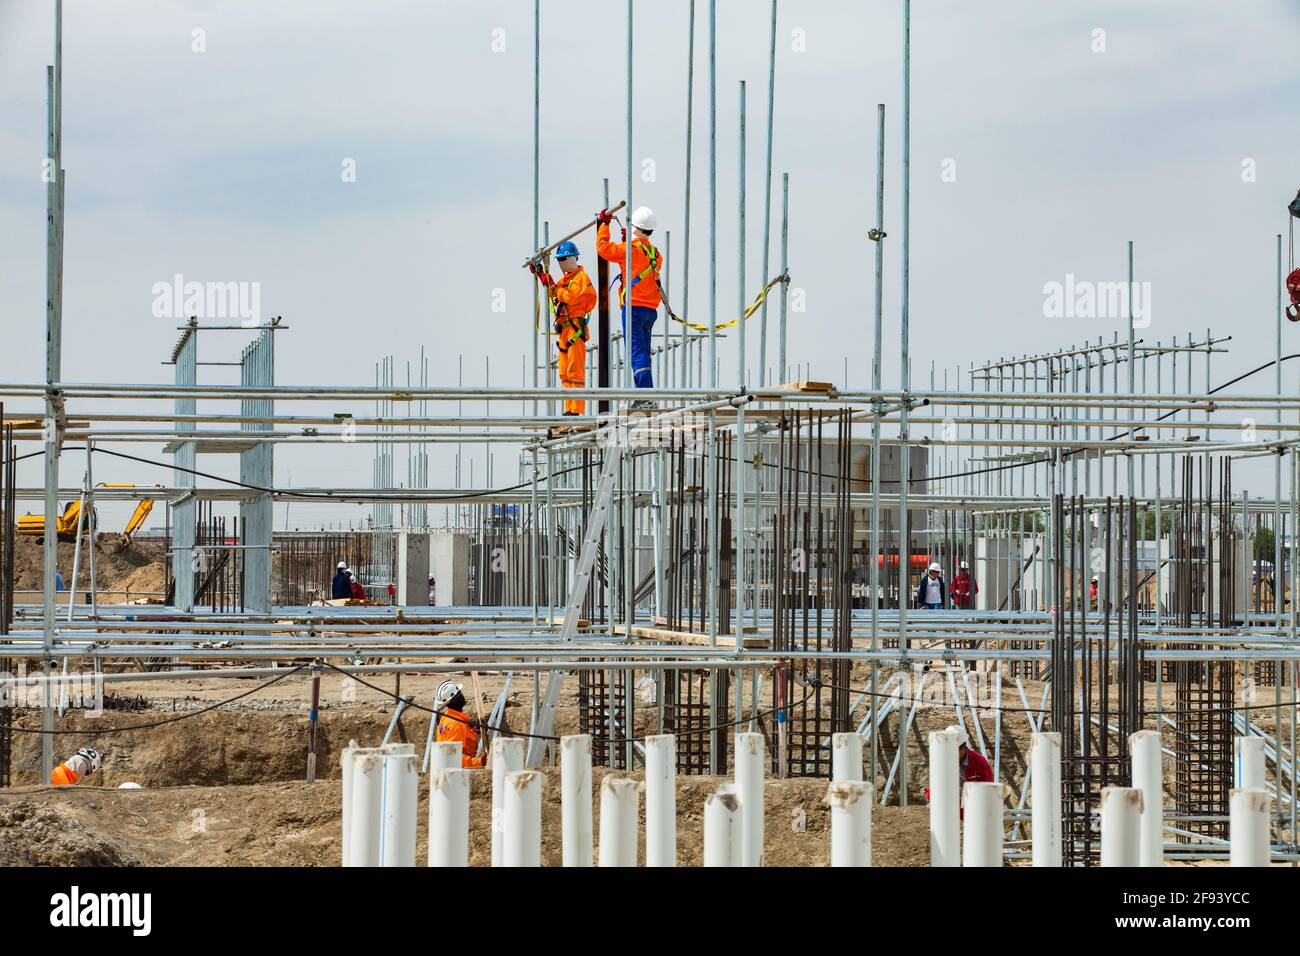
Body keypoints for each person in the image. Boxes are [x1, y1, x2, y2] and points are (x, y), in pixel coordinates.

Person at [595, 205, 664, 407]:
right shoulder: (655, 253)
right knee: (643, 352)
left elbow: (603, 249)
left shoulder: (630, 250)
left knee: (637, 352)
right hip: (650, 310)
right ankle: (646, 394)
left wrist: (604, 226)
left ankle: (644, 398)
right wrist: (628, 240)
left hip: (633, 308)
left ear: (634, 226)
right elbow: (634, 265)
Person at [531, 240, 597, 416]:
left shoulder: (581, 279)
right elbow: (555, 292)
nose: (562, 263)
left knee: (575, 372)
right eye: (559, 260)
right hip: (564, 330)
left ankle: (577, 410)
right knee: (565, 373)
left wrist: (555, 289)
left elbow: (570, 297)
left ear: (574, 258)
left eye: (564, 259)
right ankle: (569, 409)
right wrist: (543, 276)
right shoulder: (565, 280)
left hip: (575, 329)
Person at [434, 680, 487, 768]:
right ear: (456, 700)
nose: (463, 696)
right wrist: (479, 762)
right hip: (454, 770)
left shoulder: (446, 717)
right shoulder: (456, 724)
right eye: (460, 694)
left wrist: (473, 732)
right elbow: (454, 757)